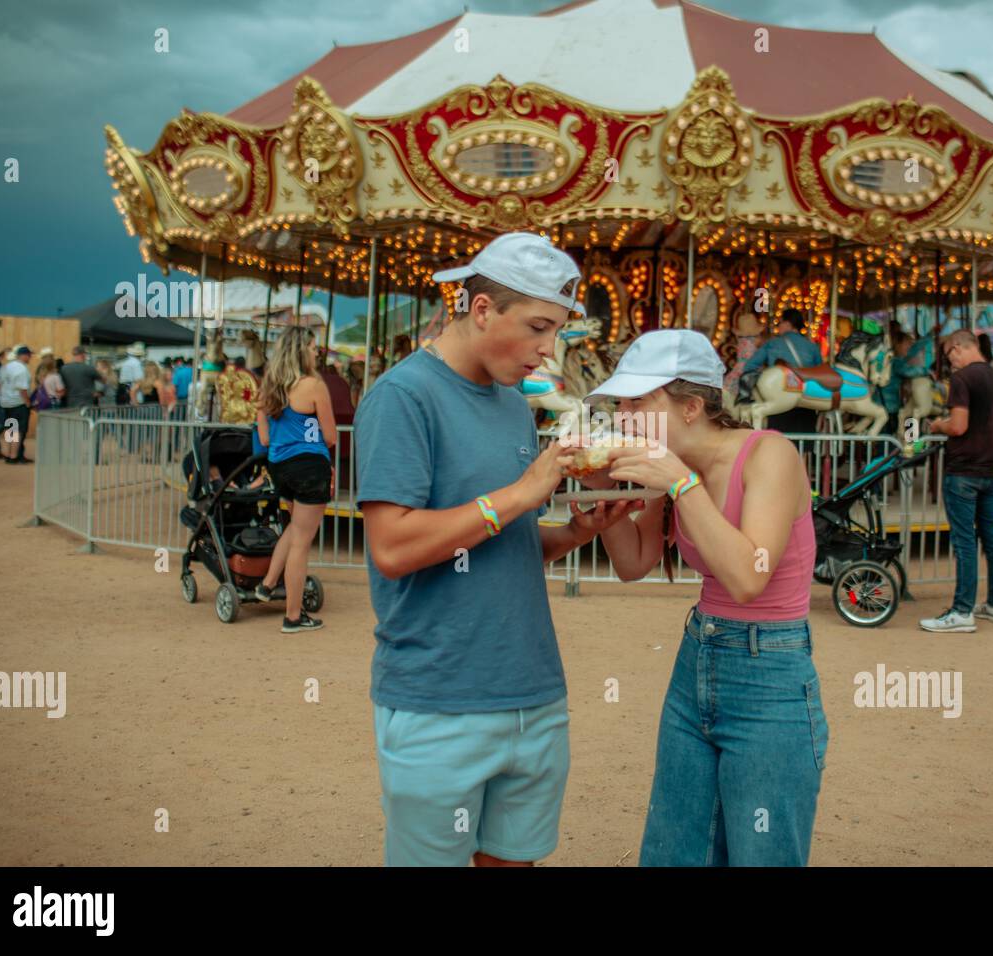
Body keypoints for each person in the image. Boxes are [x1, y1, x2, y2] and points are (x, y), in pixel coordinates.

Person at [356, 231, 633, 867]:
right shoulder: (402, 398)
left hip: (532, 692)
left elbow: (494, 545)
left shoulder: (511, 405)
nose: (548, 350)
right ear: (481, 310)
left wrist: (572, 534)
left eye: (558, 331)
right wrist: (524, 491)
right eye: (538, 327)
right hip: (439, 698)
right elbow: (394, 547)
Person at [582, 328, 826, 867]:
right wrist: (602, 510)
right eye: (619, 404)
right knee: (675, 848)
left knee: (761, 854)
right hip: (697, 658)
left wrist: (680, 486)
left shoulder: (770, 455)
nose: (622, 418)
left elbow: (747, 577)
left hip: (770, 669)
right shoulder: (667, 466)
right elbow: (632, 564)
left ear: (691, 406)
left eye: (637, 403)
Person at [920, 329, 993, 632]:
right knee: (992, 539)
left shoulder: (961, 380)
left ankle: (962, 611)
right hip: (990, 469)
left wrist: (937, 425)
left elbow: (958, 426)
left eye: (949, 355)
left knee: (964, 542)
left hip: (963, 470)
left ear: (958, 348)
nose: (950, 361)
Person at [254, 327, 338, 633]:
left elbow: (263, 437)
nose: (317, 352)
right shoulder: (314, 386)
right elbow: (329, 436)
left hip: (280, 467)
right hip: (309, 467)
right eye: (313, 347)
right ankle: (293, 616)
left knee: (295, 528)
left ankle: (267, 583)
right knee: (302, 542)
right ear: (301, 351)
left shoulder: (269, 388)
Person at [0, 344, 34, 464]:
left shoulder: (5, 367)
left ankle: (8, 454)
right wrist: (28, 403)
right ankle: (14, 455)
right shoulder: (22, 369)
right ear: (24, 356)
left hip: (6, 402)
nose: (30, 358)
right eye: (29, 356)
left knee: (10, 429)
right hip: (18, 403)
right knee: (18, 430)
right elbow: (22, 389)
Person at [217, 355, 259, 425]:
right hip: (243, 411)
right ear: (244, 365)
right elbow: (250, 395)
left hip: (229, 412)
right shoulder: (247, 378)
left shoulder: (226, 377)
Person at [60, 346, 100, 410]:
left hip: (71, 403)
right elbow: (103, 380)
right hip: (87, 403)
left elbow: (62, 385)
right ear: (83, 355)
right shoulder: (89, 368)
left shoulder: (64, 369)